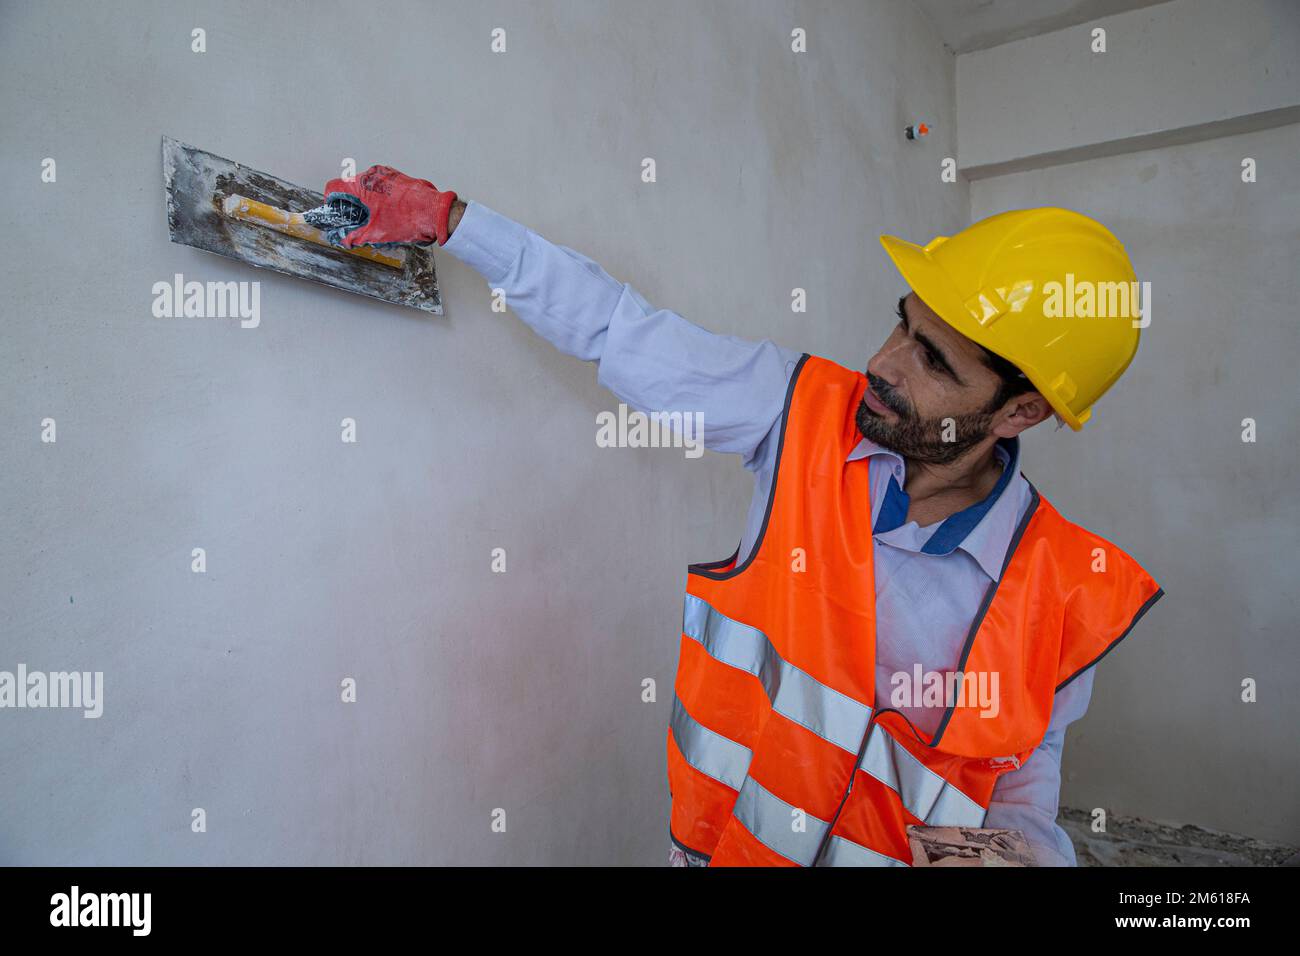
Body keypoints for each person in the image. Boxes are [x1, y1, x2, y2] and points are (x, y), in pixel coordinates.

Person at [319, 166, 1164, 867]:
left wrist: (1024, 858)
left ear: (1019, 414)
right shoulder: (795, 409)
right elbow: (620, 330)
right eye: (901, 326)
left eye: (933, 361)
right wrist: (453, 222)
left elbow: (1021, 792)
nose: (881, 363)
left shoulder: (1068, 588)